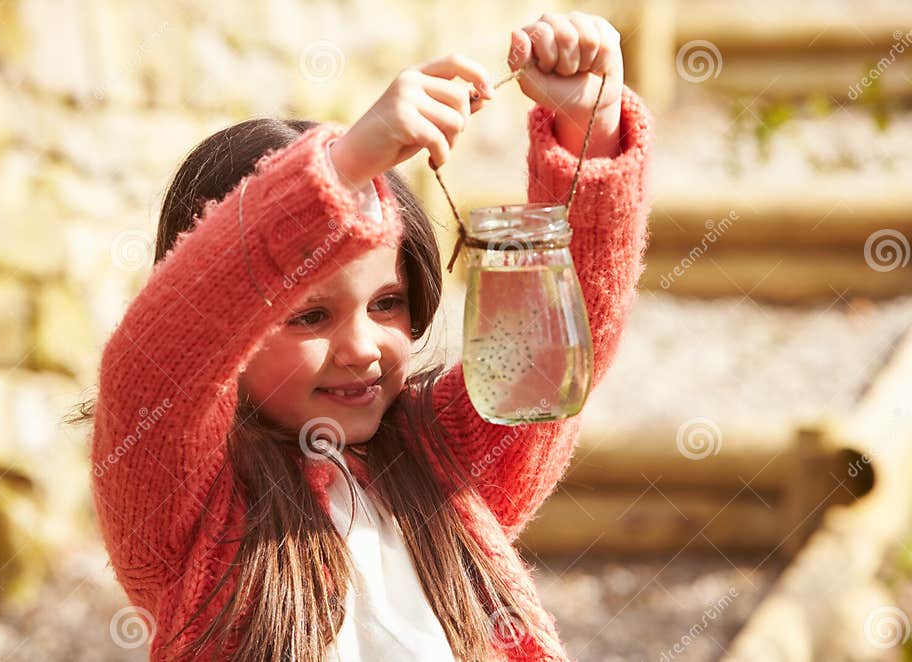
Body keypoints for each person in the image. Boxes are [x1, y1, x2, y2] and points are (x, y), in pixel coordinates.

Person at [79, 10, 653, 661]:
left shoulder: (445, 455)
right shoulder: (182, 510)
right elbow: (158, 362)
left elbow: (552, 351)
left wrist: (590, 129)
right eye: (310, 316)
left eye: (387, 303)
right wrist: (344, 168)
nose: (360, 350)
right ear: (230, 323)